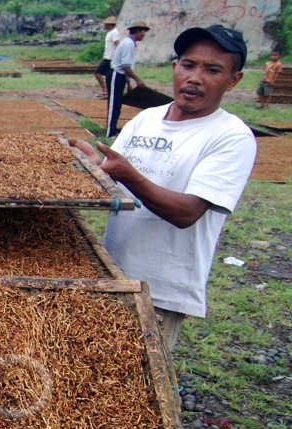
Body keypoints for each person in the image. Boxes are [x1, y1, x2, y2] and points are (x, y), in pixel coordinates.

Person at [72, 25, 256, 356]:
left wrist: (127, 174)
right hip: (112, 273)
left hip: (160, 289)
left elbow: (187, 212)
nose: (195, 78)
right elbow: (113, 184)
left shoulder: (231, 136)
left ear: (234, 80)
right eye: (188, 65)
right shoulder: (146, 120)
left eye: (212, 70)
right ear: (175, 67)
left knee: (141, 388)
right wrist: (93, 165)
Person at [106, 21, 148, 137]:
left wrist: (128, 81)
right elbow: (125, 66)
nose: (144, 35)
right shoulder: (128, 44)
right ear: (138, 31)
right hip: (116, 74)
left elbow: (126, 66)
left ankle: (113, 130)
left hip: (121, 76)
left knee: (117, 104)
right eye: (143, 32)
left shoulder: (130, 43)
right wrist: (137, 79)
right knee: (114, 104)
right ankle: (109, 133)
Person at [95, 17, 121, 98]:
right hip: (107, 57)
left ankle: (105, 91)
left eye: (106, 24)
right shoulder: (110, 33)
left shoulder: (114, 33)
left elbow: (117, 44)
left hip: (110, 58)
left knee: (98, 73)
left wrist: (117, 57)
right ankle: (108, 91)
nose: (104, 26)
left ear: (110, 25)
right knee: (108, 75)